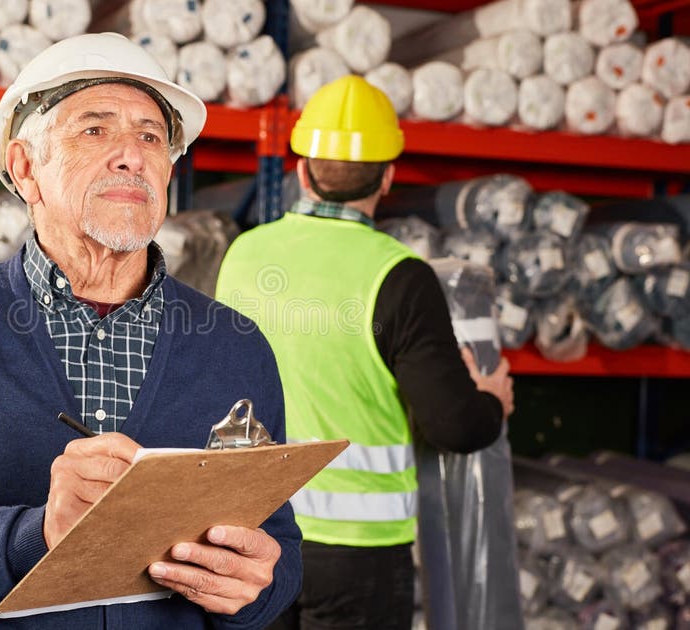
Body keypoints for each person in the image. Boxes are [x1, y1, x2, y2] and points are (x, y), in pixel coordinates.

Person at [0, 32, 302, 629]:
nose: (132, 154)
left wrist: (256, 586)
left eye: (151, 136)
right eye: (95, 130)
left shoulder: (235, 346)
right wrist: (37, 534)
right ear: (26, 169)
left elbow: (278, 552)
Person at [215, 75, 515, 630]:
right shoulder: (399, 276)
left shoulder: (243, 255)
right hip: (359, 556)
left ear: (302, 170)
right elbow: (455, 426)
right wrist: (491, 402)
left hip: (250, 536)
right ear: (388, 177)